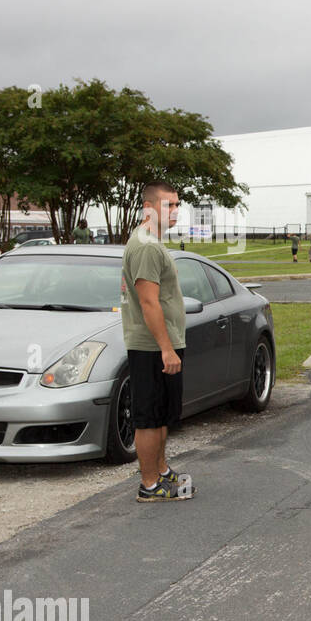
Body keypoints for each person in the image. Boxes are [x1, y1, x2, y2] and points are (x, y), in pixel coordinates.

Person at [121, 181, 190, 502]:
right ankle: (149, 485)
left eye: (177, 204)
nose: (175, 210)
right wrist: (165, 348)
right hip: (151, 347)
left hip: (163, 344)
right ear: (149, 208)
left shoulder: (153, 243)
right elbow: (149, 302)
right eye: (168, 205)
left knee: (161, 413)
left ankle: (161, 471)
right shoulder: (147, 246)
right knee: (149, 417)